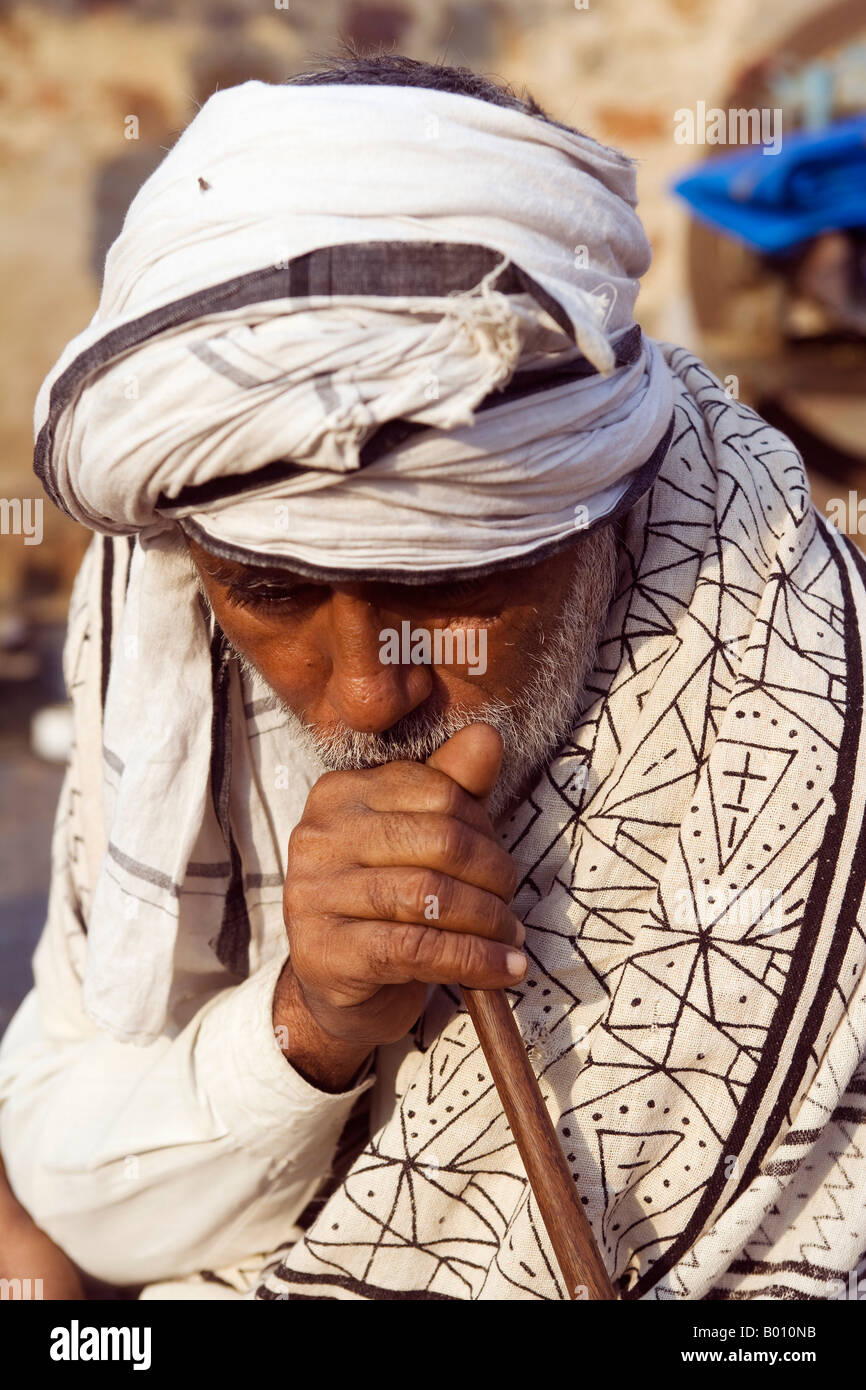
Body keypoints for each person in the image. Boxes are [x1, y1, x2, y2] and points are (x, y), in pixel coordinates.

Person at [2, 53, 865, 1303]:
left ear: (597, 519)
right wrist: (308, 1023)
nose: (363, 693)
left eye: (441, 592)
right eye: (279, 596)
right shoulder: (166, 612)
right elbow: (73, 1177)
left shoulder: (790, 681)